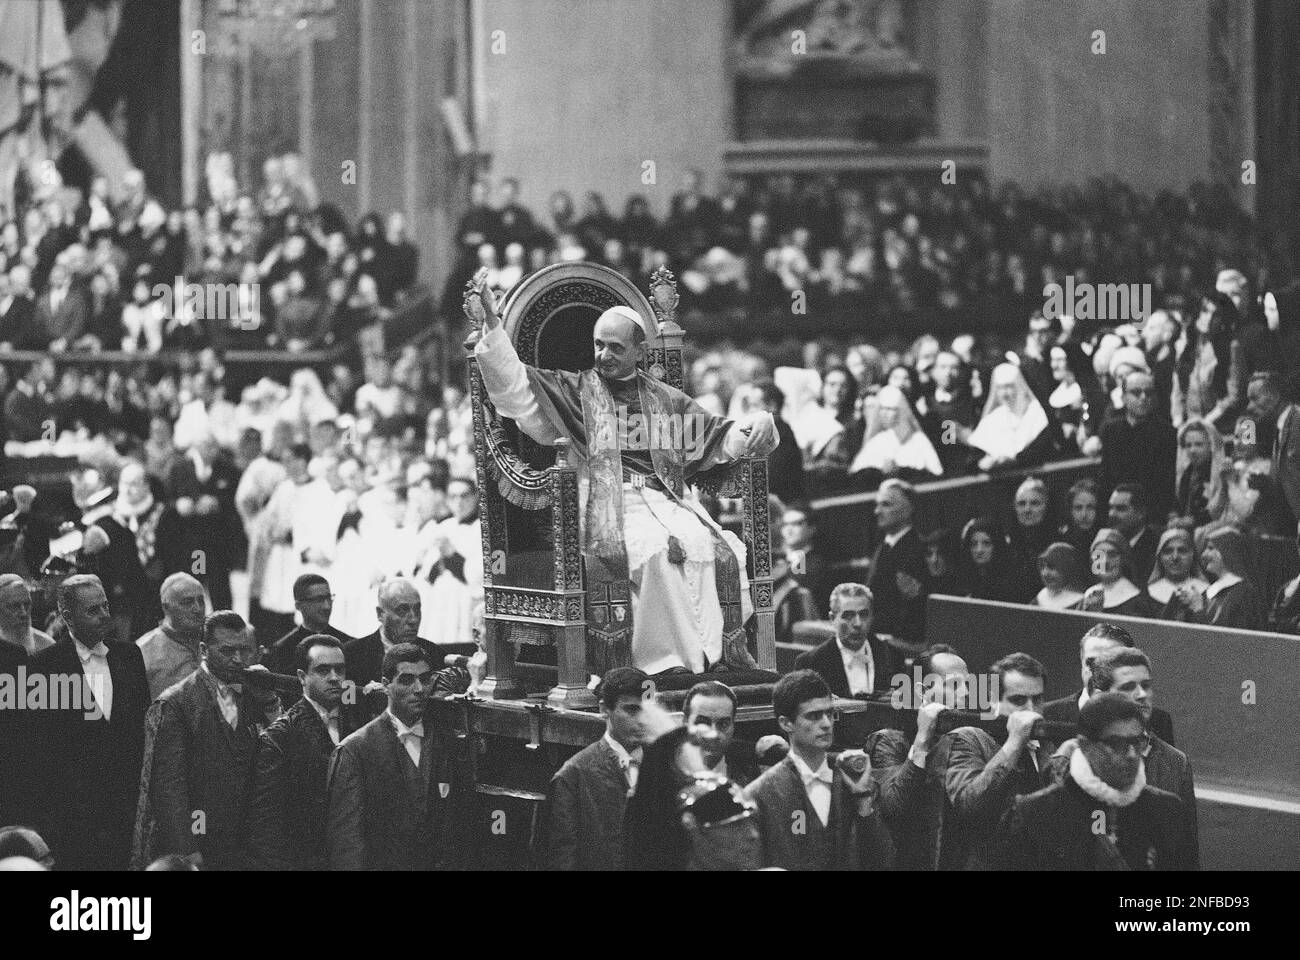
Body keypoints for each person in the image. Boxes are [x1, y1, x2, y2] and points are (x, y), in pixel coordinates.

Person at [470, 283, 777, 674]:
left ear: (639, 352)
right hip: (604, 503)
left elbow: (717, 436)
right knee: (656, 552)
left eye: (615, 347)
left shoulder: (666, 399)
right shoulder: (574, 391)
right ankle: (662, 664)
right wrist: (494, 325)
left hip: (666, 499)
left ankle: (713, 658)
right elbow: (515, 391)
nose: (604, 355)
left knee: (711, 547)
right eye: (599, 345)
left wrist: (756, 427)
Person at [132, 611, 281, 870]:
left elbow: (281, 749)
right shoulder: (176, 702)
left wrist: (270, 702)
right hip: (202, 843)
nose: (238, 660)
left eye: (244, 651)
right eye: (227, 651)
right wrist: (186, 850)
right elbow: (170, 787)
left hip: (251, 844)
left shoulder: (255, 691)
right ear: (203, 650)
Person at [991, 693, 1194, 870]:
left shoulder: (1167, 811)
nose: (1132, 754)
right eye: (1116, 744)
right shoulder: (1034, 814)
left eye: (1137, 742)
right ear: (1086, 746)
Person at [29, 575, 149, 870]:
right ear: (68, 617)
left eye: (106, 606)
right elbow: (40, 750)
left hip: (126, 808)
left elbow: (143, 729)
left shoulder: (129, 656)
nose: (104, 616)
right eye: (92, 610)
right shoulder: (43, 668)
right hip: (74, 817)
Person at [327, 642, 463, 870]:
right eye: (407, 680)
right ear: (386, 685)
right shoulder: (355, 750)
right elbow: (347, 843)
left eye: (425, 679)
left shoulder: (447, 742)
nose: (419, 688)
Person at [744, 670, 893, 871]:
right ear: (786, 723)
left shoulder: (852, 781)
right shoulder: (760, 794)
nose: (826, 724)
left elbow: (881, 860)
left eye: (830, 714)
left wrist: (863, 800)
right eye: (813, 716)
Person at [247, 634, 361, 870]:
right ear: (302, 677)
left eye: (340, 670)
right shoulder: (281, 735)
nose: (334, 678)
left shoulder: (359, 724)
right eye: (323, 670)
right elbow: (266, 824)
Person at [932, 652, 1055, 870]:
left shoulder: (1048, 747)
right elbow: (970, 806)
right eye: (1018, 700)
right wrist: (1015, 742)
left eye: (1037, 699)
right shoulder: (967, 738)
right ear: (991, 700)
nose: (1031, 710)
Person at [1080, 648, 1199, 866]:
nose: (1142, 694)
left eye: (1146, 685)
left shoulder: (1176, 762)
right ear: (1100, 697)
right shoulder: (1077, 753)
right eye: (1128, 687)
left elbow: (1186, 858)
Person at [623, 680, 750, 870]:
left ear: (733, 724)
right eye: (703, 722)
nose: (714, 733)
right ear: (686, 722)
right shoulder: (653, 792)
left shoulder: (754, 776)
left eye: (723, 724)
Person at [545, 667, 649, 871]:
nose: (642, 720)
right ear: (604, 709)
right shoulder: (574, 775)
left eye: (648, 710)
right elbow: (561, 858)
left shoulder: (665, 767)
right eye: (631, 710)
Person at [1041, 623, 1176, 745]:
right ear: (1081, 663)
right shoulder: (1049, 715)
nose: (1098, 670)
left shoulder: (1157, 720)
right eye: (1091, 663)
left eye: (1111, 662)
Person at [795, 582, 904, 697]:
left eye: (864, 615)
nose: (857, 623)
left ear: (872, 617)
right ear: (832, 619)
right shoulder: (810, 663)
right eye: (848, 616)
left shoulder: (893, 656)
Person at [1100, 370, 1178, 523]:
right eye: (1136, 392)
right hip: (1117, 510)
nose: (1144, 398)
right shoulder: (1110, 430)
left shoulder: (1166, 432)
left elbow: (1166, 482)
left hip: (1152, 512)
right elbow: (1106, 476)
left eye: (1148, 393)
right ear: (1123, 397)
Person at [342, 578, 442, 692]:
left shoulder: (435, 655)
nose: (413, 619)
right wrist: (366, 696)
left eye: (417, 609)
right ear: (380, 614)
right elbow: (347, 702)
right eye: (402, 610)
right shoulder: (351, 655)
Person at [1164, 526, 1266, 630]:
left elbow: (1226, 638)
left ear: (1228, 552)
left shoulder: (1244, 594)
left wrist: (1198, 609)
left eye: (1211, 548)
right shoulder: (1209, 592)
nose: (1204, 555)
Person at [867, 479, 927, 644]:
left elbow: (912, 608)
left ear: (908, 510)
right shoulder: (882, 548)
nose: (877, 511)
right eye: (877, 504)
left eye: (886, 504)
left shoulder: (919, 549)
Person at [966, 362, 1053, 470]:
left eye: (1009, 387)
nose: (1004, 394)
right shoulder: (994, 418)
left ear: (1020, 386)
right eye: (999, 388)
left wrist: (1014, 461)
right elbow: (974, 457)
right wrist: (982, 463)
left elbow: (1043, 451)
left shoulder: (1038, 414)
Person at [263, 573, 355, 676]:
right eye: (319, 600)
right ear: (299, 605)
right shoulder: (282, 650)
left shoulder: (349, 644)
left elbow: (351, 689)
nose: (327, 606)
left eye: (329, 598)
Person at [135, 573, 207, 699]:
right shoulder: (143, 651)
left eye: (201, 601)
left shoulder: (215, 639)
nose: (197, 609)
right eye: (187, 602)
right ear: (166, 608)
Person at [849, 384, 942, 481]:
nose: (884, 413)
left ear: (901, 411)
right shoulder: (876, 441)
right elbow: (855, 475)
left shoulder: (919, 440)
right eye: (881, 408)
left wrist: (901, 471)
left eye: (890, 409)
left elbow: (936, 474)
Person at [1244, 370, 1300, 526]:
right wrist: (1264, 484)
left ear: (1275, 396)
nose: (1249, 407)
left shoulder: (1298, 422)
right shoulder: (1280, 430)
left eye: (1255, 398)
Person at [1079, 528, 1158, 617]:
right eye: (1098, 555)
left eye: (1112, 555)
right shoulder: (1089, 594)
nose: (1105, 562)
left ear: (1124, 559)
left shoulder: (1137, 602)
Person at [959, 517, 1029, 603]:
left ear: (997, 546)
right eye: (974, 544)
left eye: (986, 543)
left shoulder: (1011, 584)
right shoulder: (964, 578)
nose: (979, 550)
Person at [1172, 419, 1227, 529]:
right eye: (1188, 445)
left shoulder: (1220, 473)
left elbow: (1217, 509)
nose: (1192, 450)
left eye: (1198, 445)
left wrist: (1193, 521)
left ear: (1211, 445)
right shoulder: (1187, 473)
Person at [1146, 527, 1210, 612]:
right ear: (1159, 557)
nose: (1175, 557)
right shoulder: (1148, 595)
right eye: (1168, 551)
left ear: (1192, 556)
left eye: (1182, 551)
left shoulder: (1207, 593)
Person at [1106, 483, 1160, 584]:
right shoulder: (1105, 543)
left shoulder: (1157, 548)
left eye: (1121, 509)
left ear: (1141, 513)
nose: (1112, 514)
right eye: (1111, 508)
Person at [0, 573, 53, 656]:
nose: (24, 613)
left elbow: (21, 669)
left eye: (27, 604)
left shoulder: (47, 646)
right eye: (15, 606)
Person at [1033, 542, 1088, 609]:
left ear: (1067, 569)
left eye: (1052, 567)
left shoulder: (1081, 603)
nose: (1045, 573)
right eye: (1042, 567)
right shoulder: (1041, 597)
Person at [1059, 477, 1101, 557]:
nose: (1084, 514)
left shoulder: (1105, 543)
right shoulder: (1062, 543)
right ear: (1070, 511)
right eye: (1078, 508)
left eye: (1090, 507)